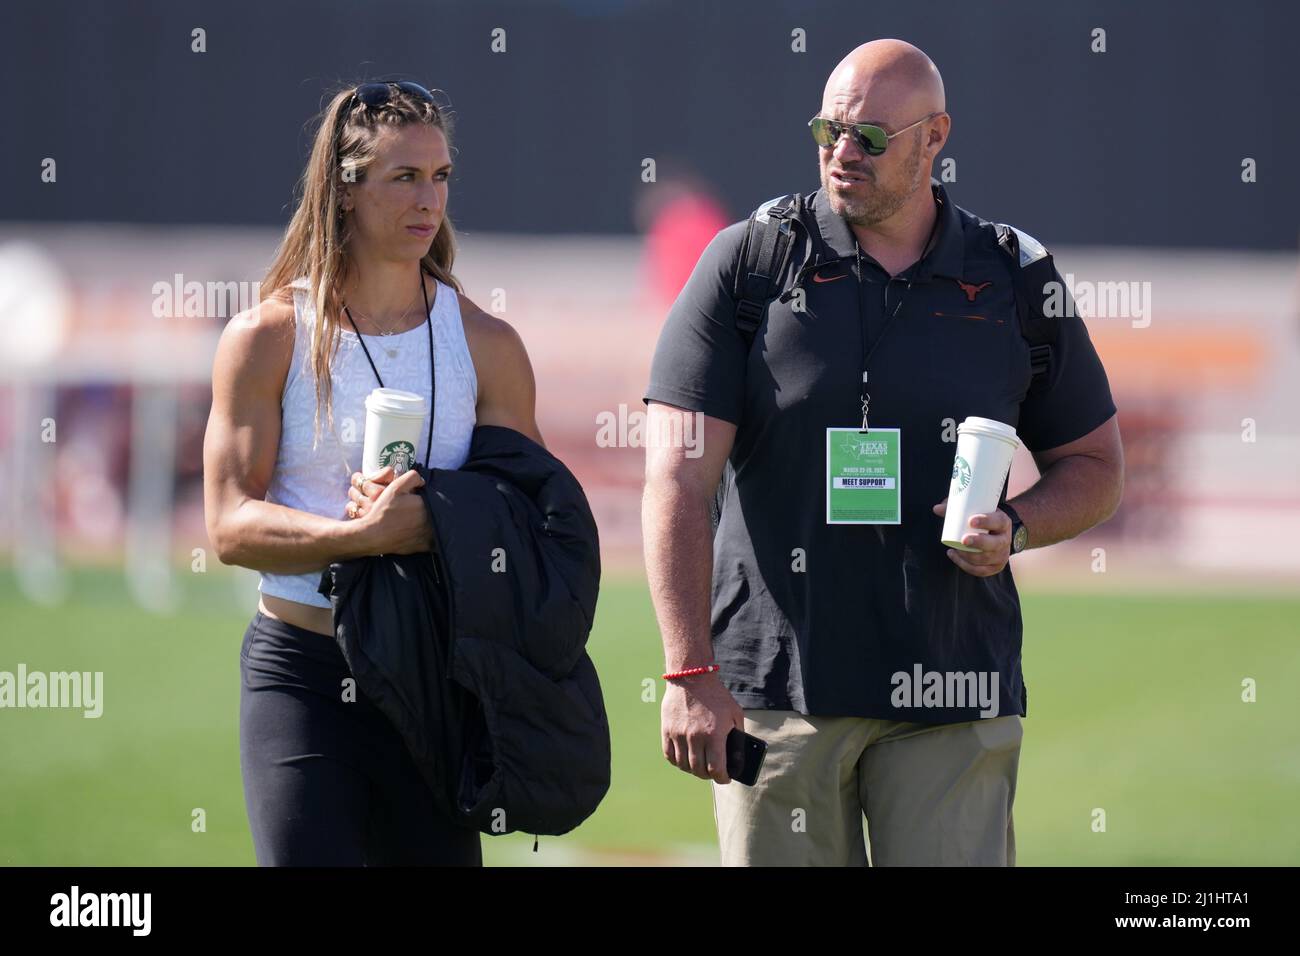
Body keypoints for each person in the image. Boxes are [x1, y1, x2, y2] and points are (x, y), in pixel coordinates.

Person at [641, 40, 1124, 866]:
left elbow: (1096, 466)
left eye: (868, 137)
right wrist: (688, 672)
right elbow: (679, 477)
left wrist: (1019, 524)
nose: (841, 152)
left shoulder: (1013, 273)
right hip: (779, 697)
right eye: (828, 129)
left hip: (953, 690)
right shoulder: (750, 262)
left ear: (935, 138)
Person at [202, 79, 543, 865]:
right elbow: (227, 526)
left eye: (441, 176)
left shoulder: (488, 343)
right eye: (403, 177)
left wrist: (437, 523)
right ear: (345, 188)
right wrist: (357, 536)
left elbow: (526, 521)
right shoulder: (268, 336)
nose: (430, 199)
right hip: (302, 672)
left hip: (434, 677)